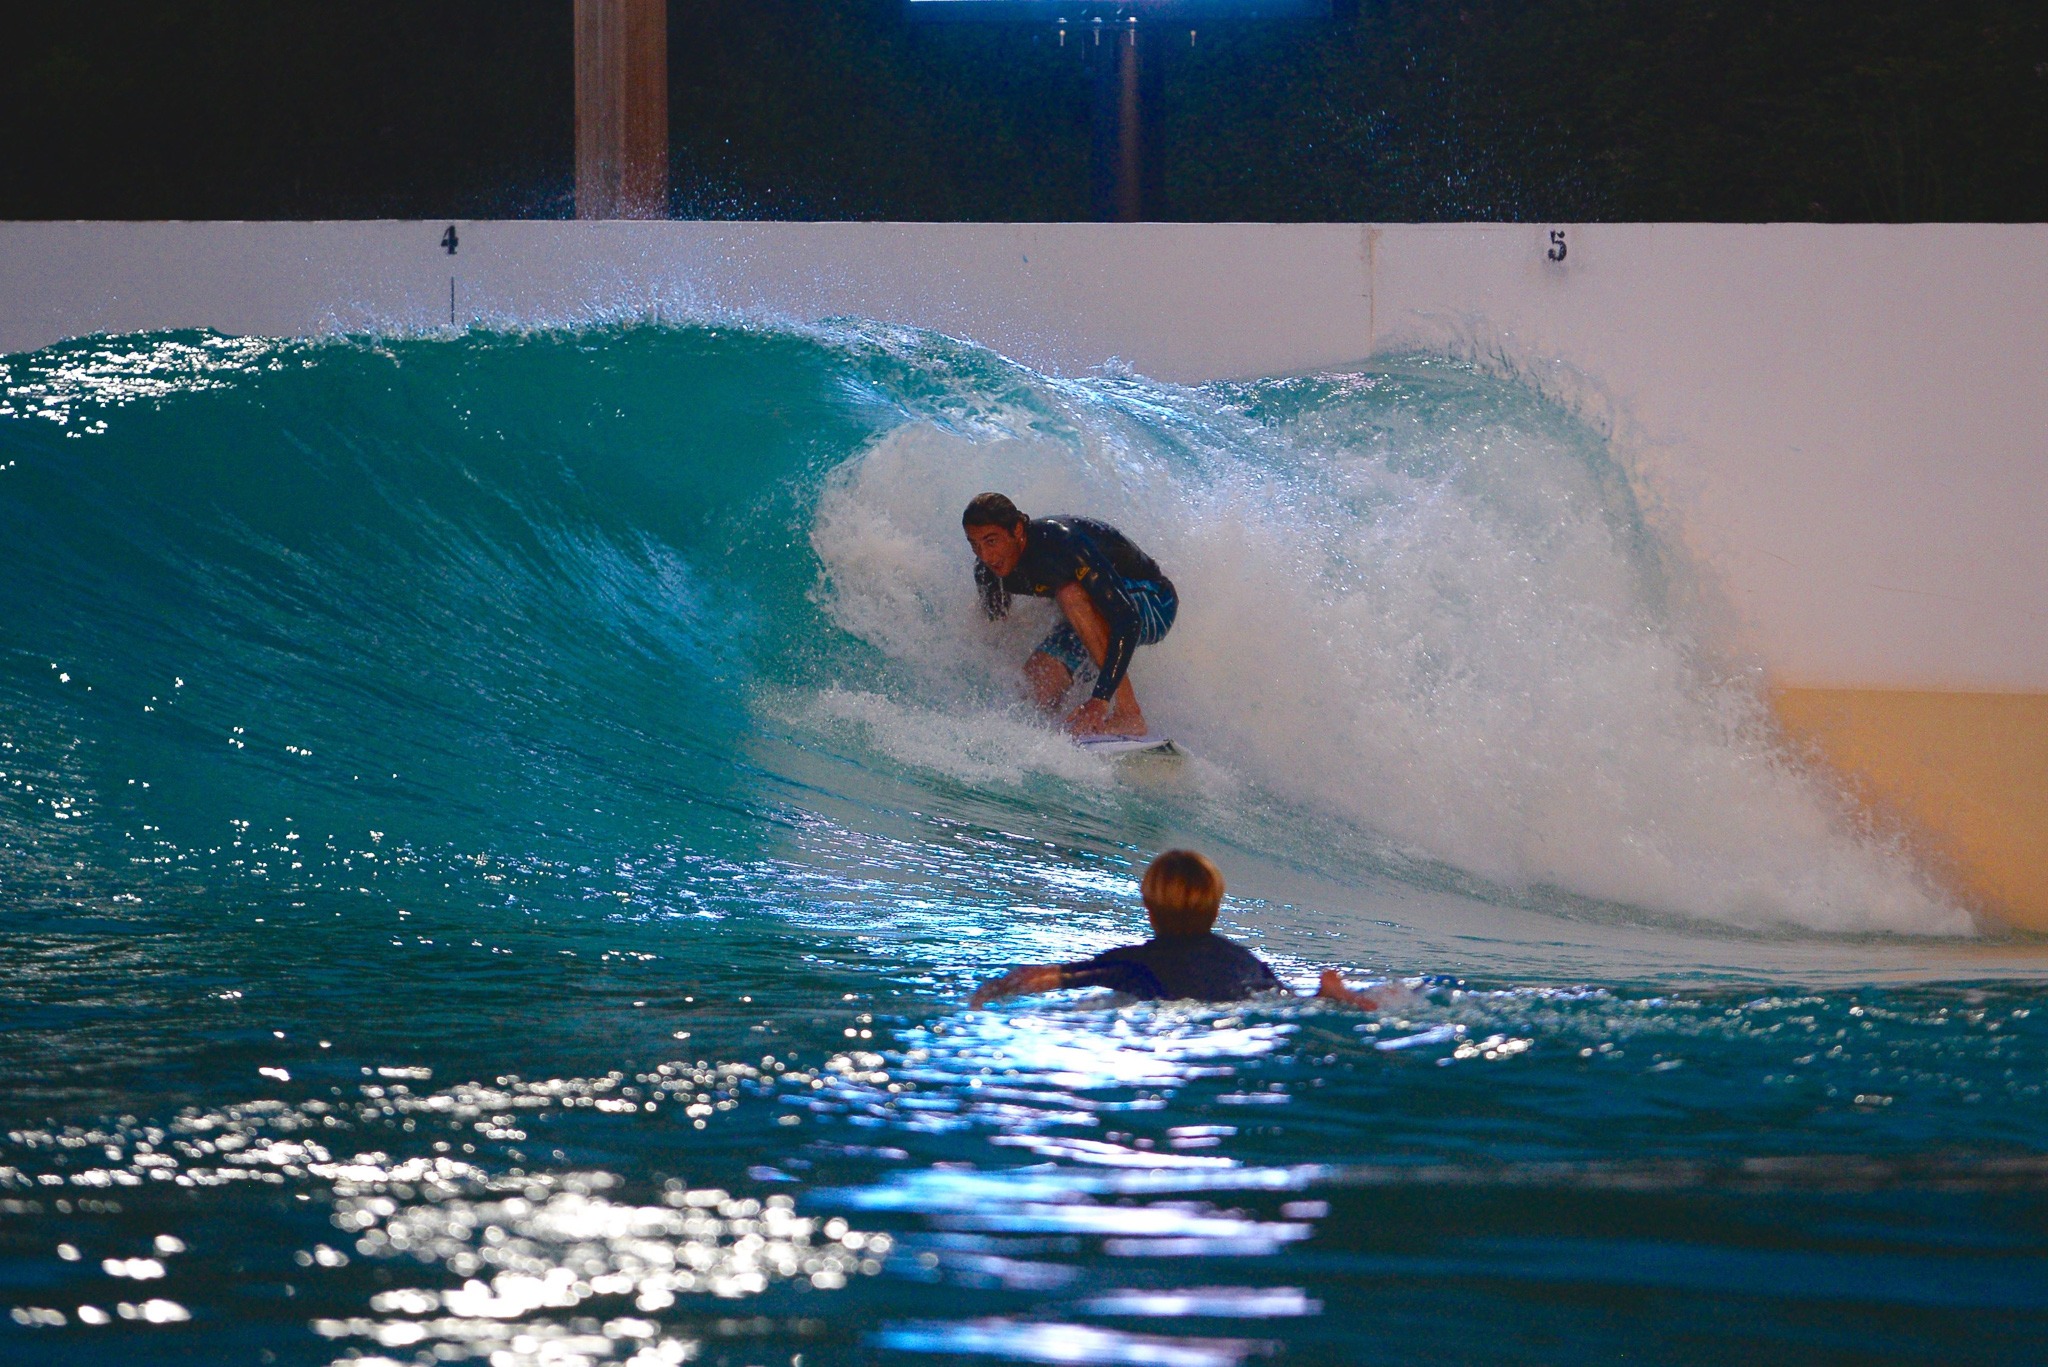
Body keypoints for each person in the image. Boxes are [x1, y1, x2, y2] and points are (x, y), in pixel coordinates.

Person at [969, 849, 1387, 1009]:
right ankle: (1333, 996)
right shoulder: (1239, 957)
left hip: (1176, 1005)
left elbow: (1054, 977)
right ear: (1215, 906)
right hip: (1247, 999)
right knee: (1294, 1001)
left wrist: (992, 990)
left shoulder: (1134, 962)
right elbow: (1282, 996)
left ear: (1150, 907)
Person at [962, 493, 1176, 738]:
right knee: (1037, 683)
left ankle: (1128, 714)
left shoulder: (1062, 543)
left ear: (1017, 530)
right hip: (1092, 615)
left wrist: (1101, 698)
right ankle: (1073, 728)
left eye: (991, 541)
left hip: (1152, 601)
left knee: (1069, 593)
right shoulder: (988, 573)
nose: (985, 556)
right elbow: (997, 629)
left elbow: (1127, 619)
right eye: (974, 544)